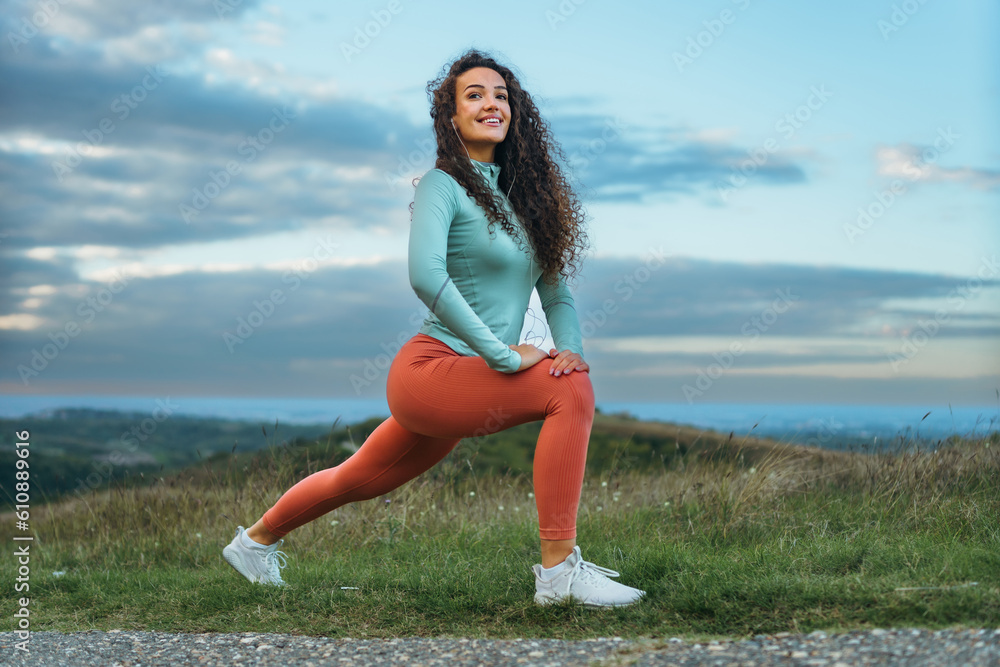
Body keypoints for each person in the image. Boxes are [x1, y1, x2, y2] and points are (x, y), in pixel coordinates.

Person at [223, 48, 645, 608]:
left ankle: (253, 543)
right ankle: (559, 575)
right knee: (570, 393)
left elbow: (556, 291)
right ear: (451, 117)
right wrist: (501, 354)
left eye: (501, 95)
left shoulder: (527, 199)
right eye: (474, 95)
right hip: (429, 369)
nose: (491, 103)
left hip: (464, 374)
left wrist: (569, 348)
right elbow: (426, 276)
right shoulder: (442, 185)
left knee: (361, 477)